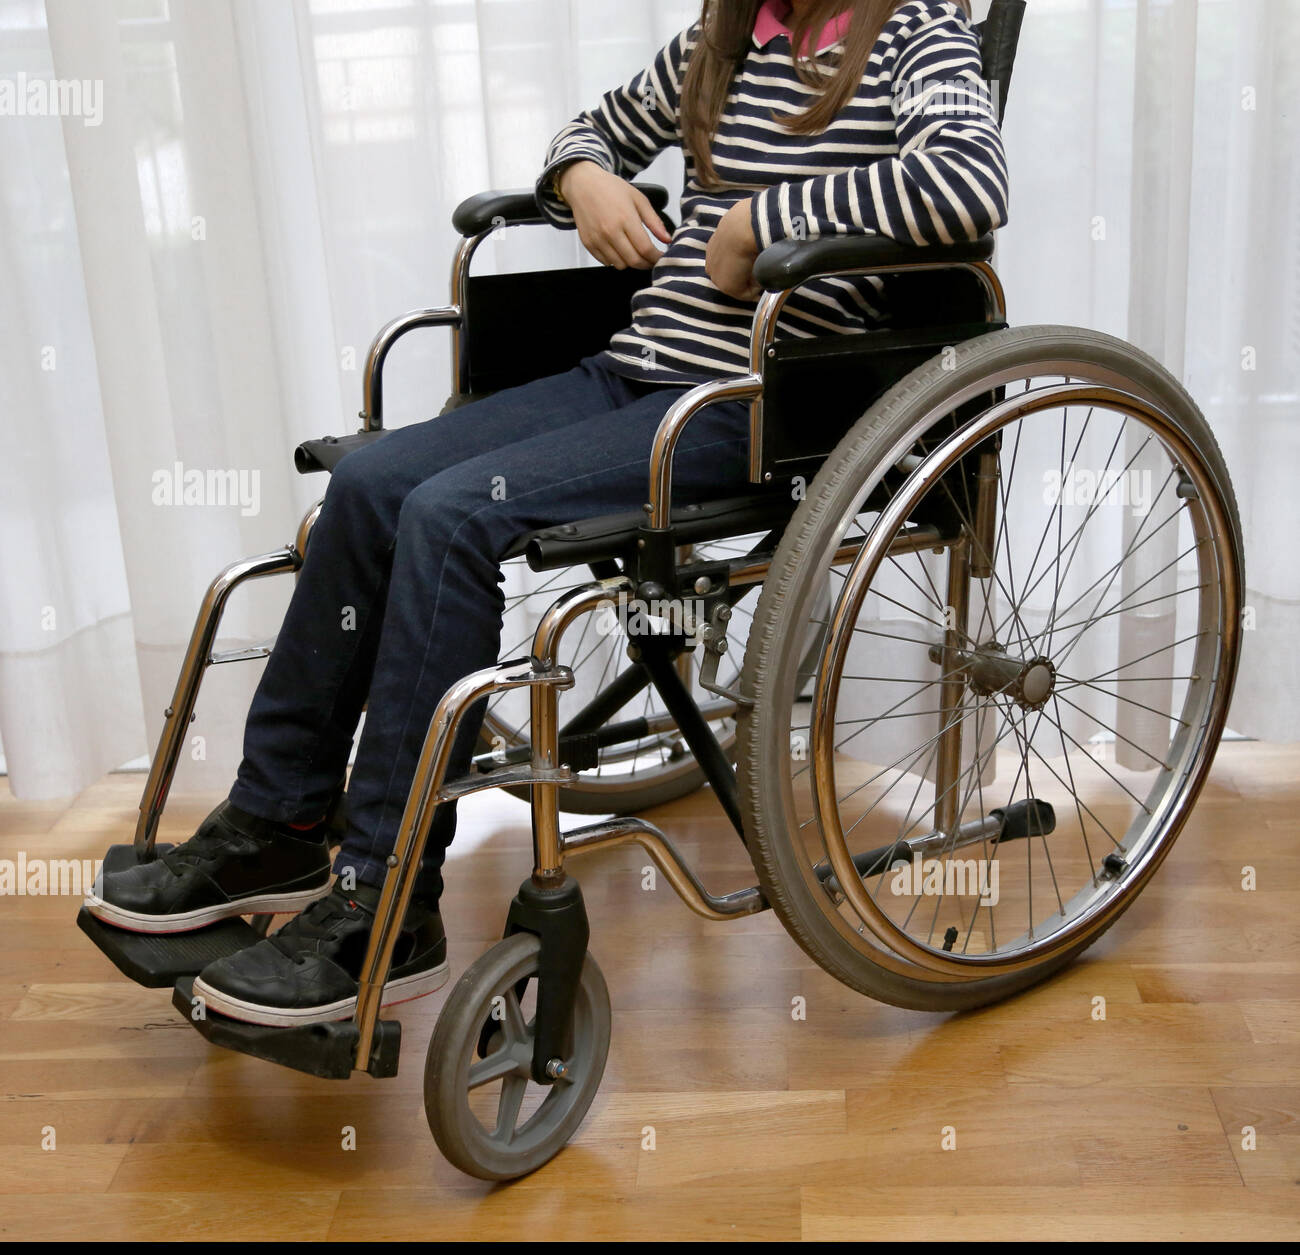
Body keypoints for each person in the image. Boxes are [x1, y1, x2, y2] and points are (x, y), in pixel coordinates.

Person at [86, 0, 1008, 1026]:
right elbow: (593, 126)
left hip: (750, 407)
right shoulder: (730, 35)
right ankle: (280, 814)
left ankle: (381, 905)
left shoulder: (916, 31)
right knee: (369, 485)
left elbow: (967, 183)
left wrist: (759, 223)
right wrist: (584, 178)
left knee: (447, 518)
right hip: (631, 372)